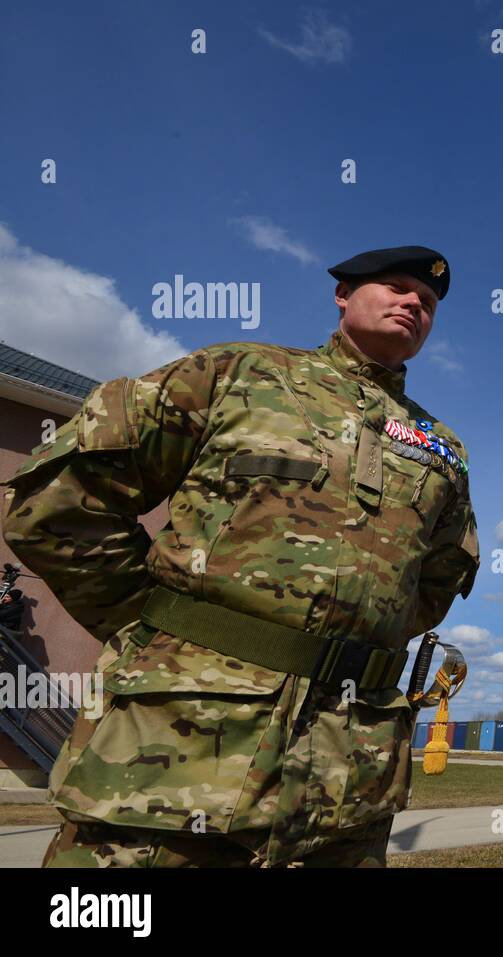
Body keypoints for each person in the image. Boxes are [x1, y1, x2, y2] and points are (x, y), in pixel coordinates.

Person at [2, 246, 478, 868]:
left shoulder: (440, 448)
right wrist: (160, 629)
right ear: (342, 295)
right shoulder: (239, 374)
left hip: (346, 778)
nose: (415, 302)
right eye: (395, 286)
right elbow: (61, 500)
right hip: (175, 748)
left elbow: (434, 582)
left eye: (430, 301)